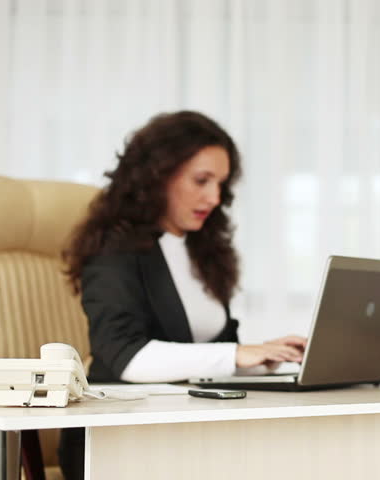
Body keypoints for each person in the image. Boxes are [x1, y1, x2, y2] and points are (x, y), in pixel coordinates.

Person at [57, 111, 305, 479]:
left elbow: (200, 355)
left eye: (221, 184)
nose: (214, 196)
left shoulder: (201, 251)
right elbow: (128, 358)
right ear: (156, 176)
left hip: (188, 429)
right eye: (202, 180)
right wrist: (234, 354)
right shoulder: (113, 250)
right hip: (116, 440)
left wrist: (257, 358)